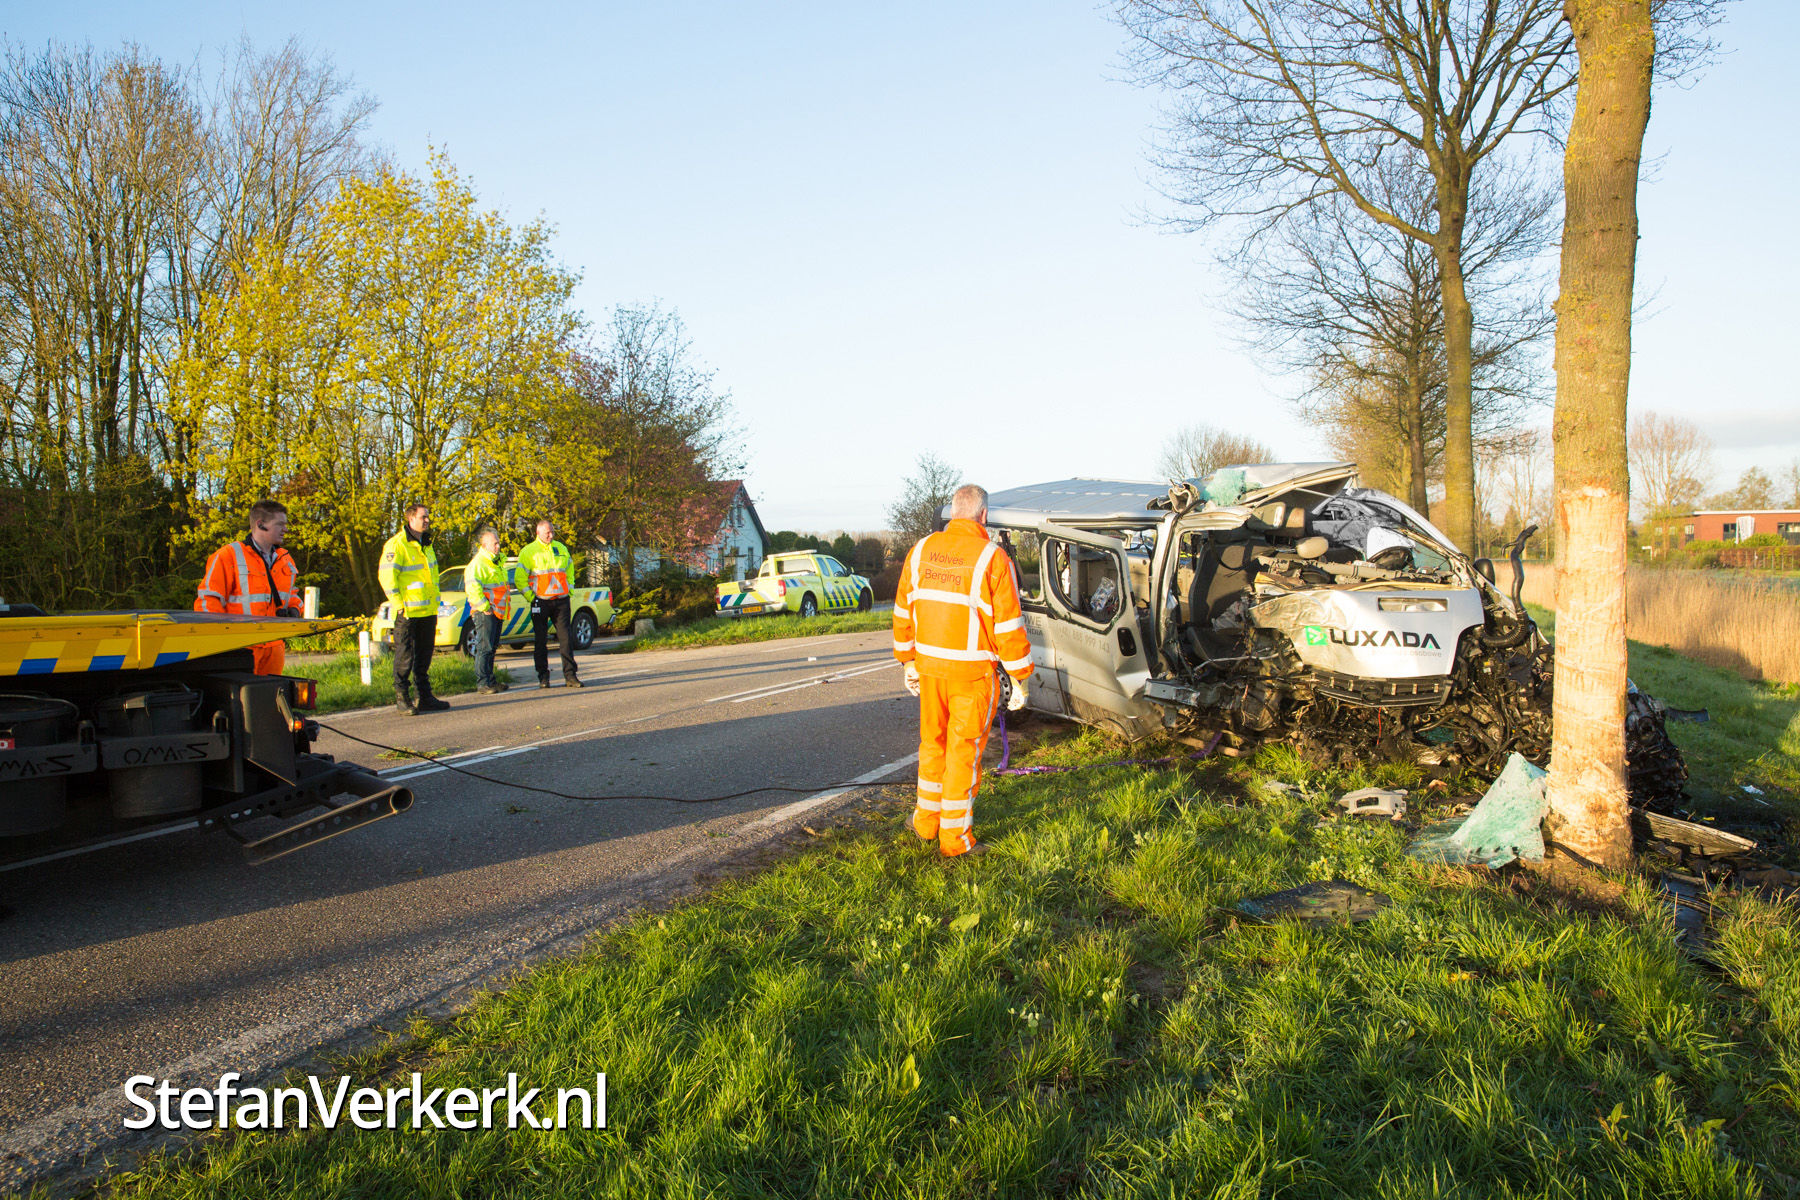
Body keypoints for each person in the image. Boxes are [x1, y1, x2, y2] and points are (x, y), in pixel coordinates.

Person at [891, 483, 1033, 860]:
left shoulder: (920, 550)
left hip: (929, 670)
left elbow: (904, 609)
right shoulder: (993, 557)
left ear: (953, 512)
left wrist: (907, 660)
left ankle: (925, 822)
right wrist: (1019, 676)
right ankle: (955, 840)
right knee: (963, 753)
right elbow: (1008, 626)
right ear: (983, 516)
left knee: (931, 745)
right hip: (971, 676)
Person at [195, 499, 303, 675]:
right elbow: (208, 602)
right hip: (240, 648)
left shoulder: (285, 559)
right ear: (261, 525)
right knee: (242, 699)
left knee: (270, 698)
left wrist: (295, 610)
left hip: (274, 647)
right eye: (280, 524)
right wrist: (222, 641)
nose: (286, 529)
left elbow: (291, 595)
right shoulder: (227, 556)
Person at [379, 503, 449, 715]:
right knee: (405, 656)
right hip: (408, 612)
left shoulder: (427, 544)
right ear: (411, 519)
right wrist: (399, 605)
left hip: (428, 610)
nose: (427, 520)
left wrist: (435, 601)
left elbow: (432, 577)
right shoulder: (397, 545)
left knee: (424, 656)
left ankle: (424, 696)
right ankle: (402, 697)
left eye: (428, 516)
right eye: (422, 517)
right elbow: (386, 577)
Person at [515, 518, 584, 689]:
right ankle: (543, 677)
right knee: (540, 640)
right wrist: (532, 598)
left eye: (552, 532)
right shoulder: (528, 552)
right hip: (541, 602)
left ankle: (570, 675)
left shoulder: (560, 548)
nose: (551, 535)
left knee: (566, 639)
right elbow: (519, 579)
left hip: (561, 601)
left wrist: (570, 590)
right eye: (547, 533)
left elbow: (569, 570)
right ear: (538, 533)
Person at [464, 524, 512, 694]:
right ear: (484, 546)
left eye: (498, 543)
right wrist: (485, 607)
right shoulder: (478, 564)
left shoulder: (495, 562)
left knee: (491, 647)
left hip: (496, 611)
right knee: (484, 647)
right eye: (495, 543)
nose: (498, 546)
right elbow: (473, 589)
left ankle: (491, 681)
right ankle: (483, 682)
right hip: (485, 612)